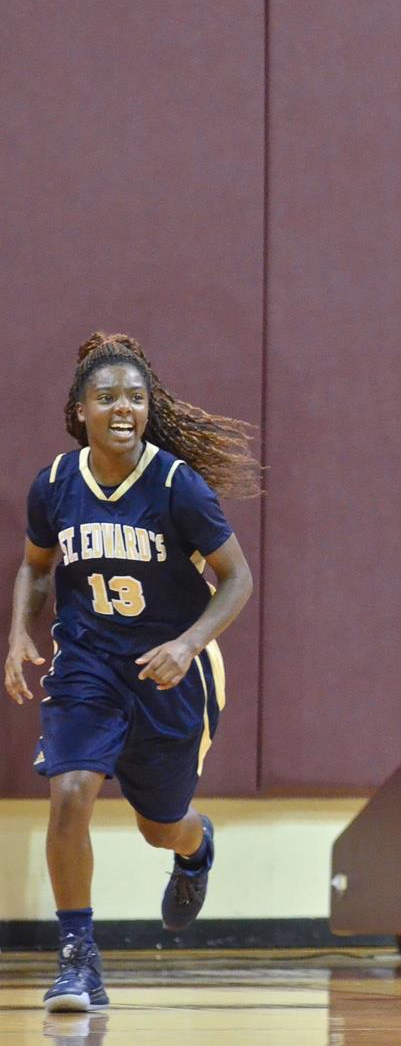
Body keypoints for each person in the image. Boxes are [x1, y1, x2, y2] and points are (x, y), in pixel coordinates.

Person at [4, 334, 258, 1012]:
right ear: (79, 409)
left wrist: (189, 643)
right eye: (108, 397)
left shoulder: (178, 486)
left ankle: (195, 847)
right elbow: (36, 564)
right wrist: (17, 633)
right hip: (88, 665)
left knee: (159, 824)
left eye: (136, 398)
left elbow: (238, 580)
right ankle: (78, 959)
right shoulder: (55, 484)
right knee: (70, 792)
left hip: (169, 674)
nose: (124, 408)